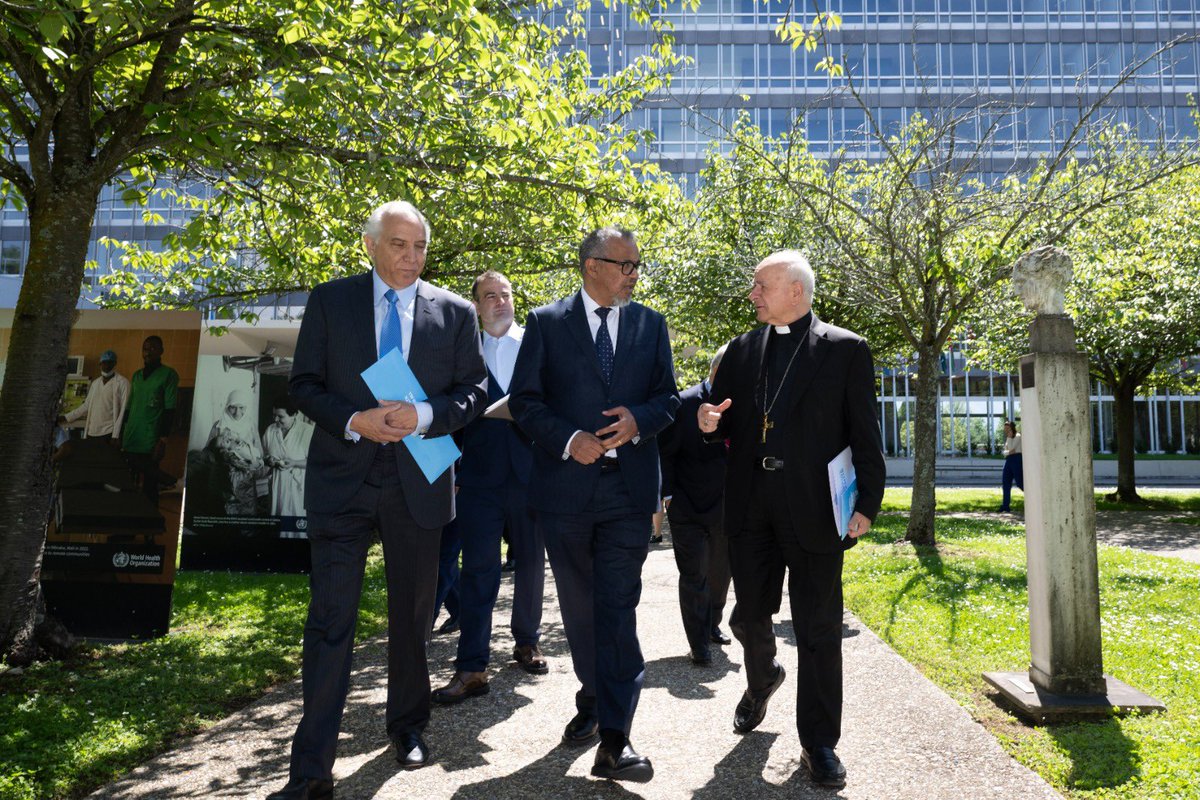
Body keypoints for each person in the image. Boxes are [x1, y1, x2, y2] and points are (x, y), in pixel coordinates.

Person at [269, 201, 487, 800]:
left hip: (420, 482)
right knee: (330, 620)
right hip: (343, 480)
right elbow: (304, 385)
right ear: (370, 245)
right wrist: (353, 420)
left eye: (419, 247)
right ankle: (311, 768)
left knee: (412, 619)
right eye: (398, 245)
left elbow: (474, 390)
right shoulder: (330, 301)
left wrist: (426, 415)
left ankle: (408, 726)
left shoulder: (455, 311)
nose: (411, 258)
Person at [697, 250, 885, 790]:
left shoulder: (846, 349)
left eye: (762, 286)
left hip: (815, 506)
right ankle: (763, 680)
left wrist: (867, 504)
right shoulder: (740, 349)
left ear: (795, 291)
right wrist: (707, 422)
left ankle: (819, 742)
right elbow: (718, 418)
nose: (753, 294)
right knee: (749, 615)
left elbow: (864, 431)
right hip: (751, 503)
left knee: (819, 626)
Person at [508, 226, 679, 783]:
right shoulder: (546, 323)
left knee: (618, 607)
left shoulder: (651, 324)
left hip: (628, 492)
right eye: (626, 265)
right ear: (592, 266)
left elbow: (668, 398)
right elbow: (525, 402)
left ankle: (615, 740)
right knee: (581, 610)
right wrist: (568, 439)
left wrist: (638, 421)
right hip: (566, 492)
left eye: (637, 265)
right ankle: (594, 696)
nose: (634, 275)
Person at [433, 270, 547, 705]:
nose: (500, 301)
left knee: (531, 563)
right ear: (477, 306)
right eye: (490, 296)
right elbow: (449, 417)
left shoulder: (537, 344)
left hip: (532, 473)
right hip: (478, 479)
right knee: (479, 570)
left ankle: (527, 641)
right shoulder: (465, 352)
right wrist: (449, 473)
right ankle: (472, 667)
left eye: (506, 294)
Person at [658, 344, 733, 667]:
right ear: (716, 372)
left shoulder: (743, 403)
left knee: (720, 573)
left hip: (727, 507)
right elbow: (666, 452)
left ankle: (712, 623)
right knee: (693, 575)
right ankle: (698, 643)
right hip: (687, 506)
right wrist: (668, 495)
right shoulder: (685, 402)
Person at [122, 336, 179, 503]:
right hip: (132, 435)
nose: (147, 352)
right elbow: (129, 407)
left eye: (152, 348)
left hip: (150, 438)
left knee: (150, 484)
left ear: (161, 351)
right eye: (145, 348)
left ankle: (151, 517)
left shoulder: (168, 375)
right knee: (127, 483)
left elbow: (170, 410)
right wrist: (121, 433)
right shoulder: (137, 376)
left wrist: (163, 440)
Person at [206, 389, 266, 516]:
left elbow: (259, 454)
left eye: (241, 407)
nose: (237, 413)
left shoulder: (251, 426)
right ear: (227, 406)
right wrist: (225, 458)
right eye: (233, 407)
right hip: (224, 481)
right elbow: (208, 453)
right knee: (224, 514)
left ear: (246, 407)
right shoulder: (218, 426)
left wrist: (254, 464)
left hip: (246, 484)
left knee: (246, 516)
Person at [59, 348, 130, 444]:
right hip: (92, 432)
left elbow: (123, 411)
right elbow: (86, 406)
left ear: (115, 364)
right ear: (100, 364)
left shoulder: (122, 383)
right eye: (104, 363)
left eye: (110, 362)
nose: (107, 366)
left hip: (109, 433)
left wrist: (116, 435)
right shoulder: (95, 383)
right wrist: (66, 417)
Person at [262, 397, 313, 517]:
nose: (275, 419)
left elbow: (317, 462)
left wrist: (294, 463)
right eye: (274, 415)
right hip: (277, 484)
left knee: (296, 518)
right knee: (277, 517)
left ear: (294, 415)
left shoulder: (307, 431)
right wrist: (268, 460)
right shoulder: (270, 430)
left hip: (298, 486)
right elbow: (264, 456)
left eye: (280, 416)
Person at [998, 420, 1023, 513]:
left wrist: (1008, 450)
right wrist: (1009, 452)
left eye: (1007, 428)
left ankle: (1032, 497)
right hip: (1009, 460)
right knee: (1006, 482)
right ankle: (1005, 506)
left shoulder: (1018, 436)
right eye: (1005, 428)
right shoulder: (1008, 437)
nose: (1005, 429)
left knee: (1020, 483)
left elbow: (1012, 449)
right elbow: (1005, 452)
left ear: (1011, 427)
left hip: (1017, 459)